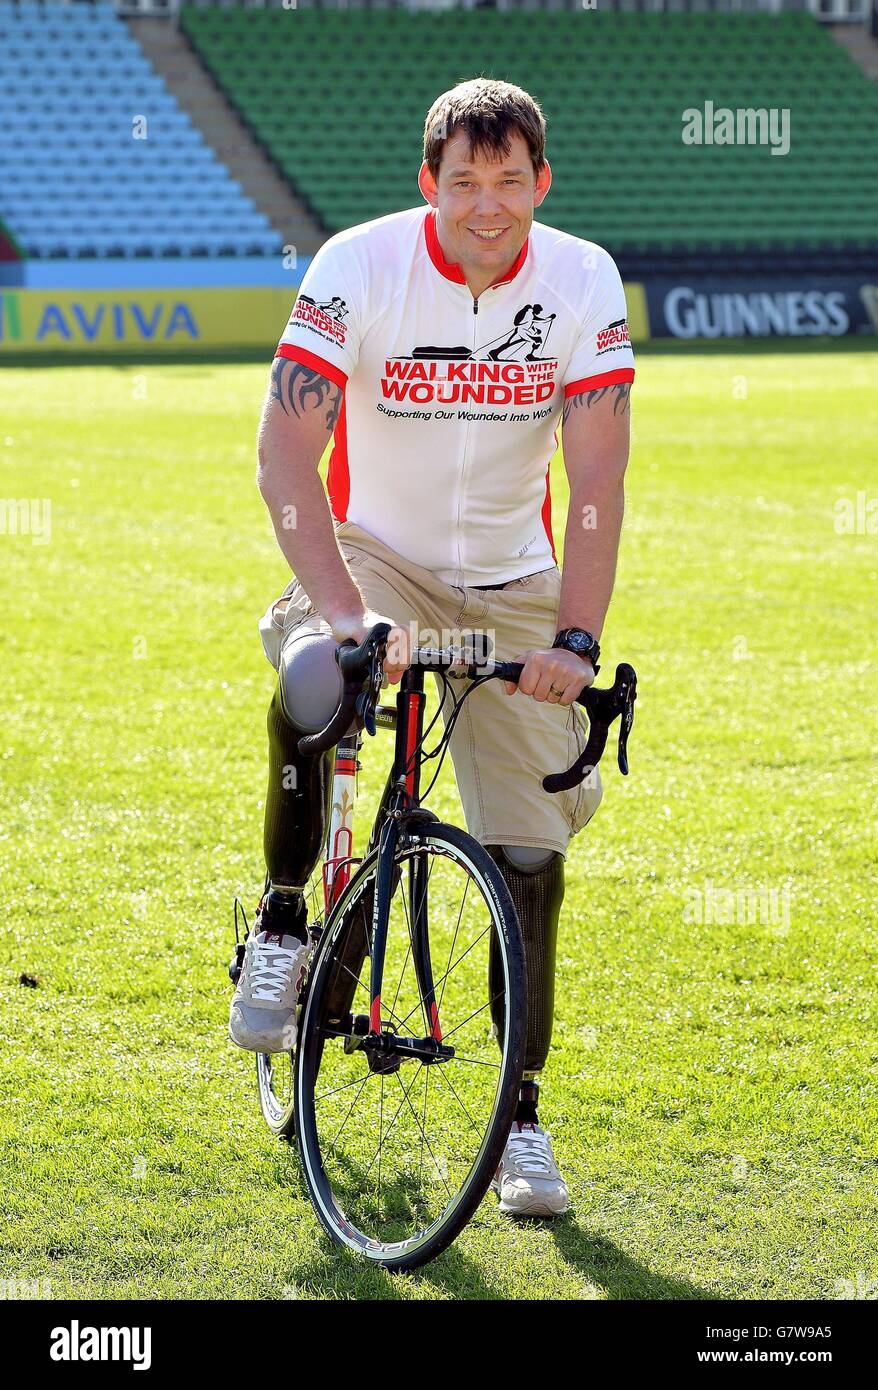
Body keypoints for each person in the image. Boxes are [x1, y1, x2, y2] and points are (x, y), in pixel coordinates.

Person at [230, 77, 634, 1218]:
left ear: (541, 184)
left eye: (512, 181)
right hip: (372, 553)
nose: (489, 204)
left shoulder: (582, 278)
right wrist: (352, 619)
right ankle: (280, 922)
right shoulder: (357, 265)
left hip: (514, 577)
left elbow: (597, 483)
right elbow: (283, 465)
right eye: (466, 181)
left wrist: (574, 637)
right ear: (430, 183)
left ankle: (519, 1118)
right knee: (319, 678)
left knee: (530, 860)